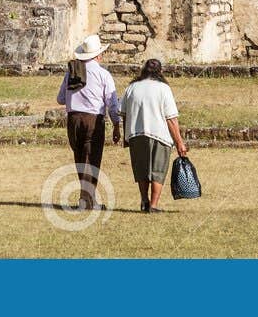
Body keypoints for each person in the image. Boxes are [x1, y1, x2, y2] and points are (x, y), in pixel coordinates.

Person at [56, 34, 121, 209]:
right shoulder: (103, 74)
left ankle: (87, 199)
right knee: (92, 158)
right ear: (98, 55)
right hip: (93, 119)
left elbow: (61, 99)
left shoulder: (71, 72)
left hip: (74, 119)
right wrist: (116, 124)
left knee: (80, 158)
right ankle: (86, 200)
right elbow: (112, 103)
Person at [120, 59, 188, 213]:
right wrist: (179, 142)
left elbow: (124, 114)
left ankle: (144, 200)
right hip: (159, 134)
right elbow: (171, 118)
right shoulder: (163, 89)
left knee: (142, 170)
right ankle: (154, 205)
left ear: (143, 70)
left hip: (136, 134)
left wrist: (126, 136)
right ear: (160, 71)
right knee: (158, 171)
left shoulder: (132, 87)